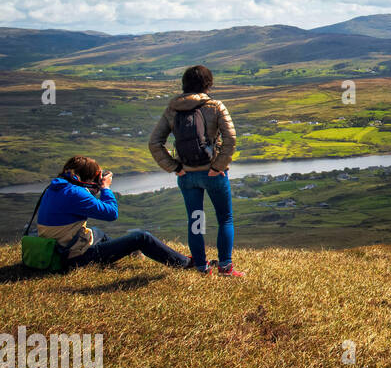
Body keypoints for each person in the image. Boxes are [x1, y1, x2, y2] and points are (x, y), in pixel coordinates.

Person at [148, 64, 245, 277]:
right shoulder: (215, 106)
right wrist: (218, 166)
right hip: (213, 173)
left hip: (187, 175)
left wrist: (174, 167)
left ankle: (202, 267)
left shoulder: (173, 109)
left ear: (184, 84)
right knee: (224, 219)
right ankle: (225, 267)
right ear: (208, 84)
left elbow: (155, 143)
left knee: (196, 219)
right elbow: (231, 139)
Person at [34, 155, 191, 268]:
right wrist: (105, 188)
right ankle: (186, 262)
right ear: (86, 178)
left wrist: (92, 188)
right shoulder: (75, 193)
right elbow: (111, 213)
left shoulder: (55, 188)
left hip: (55, 250)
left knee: (97, 232)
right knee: (142, 238)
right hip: (74, 258)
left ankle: (129, 251)